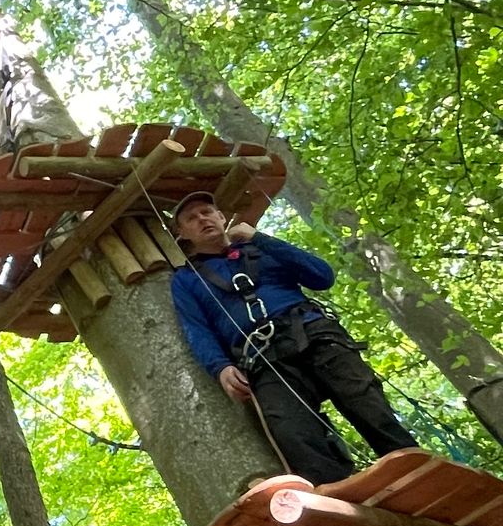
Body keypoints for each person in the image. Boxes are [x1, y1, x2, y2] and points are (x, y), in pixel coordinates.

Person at [169, 192, 415, 483]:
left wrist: (260, 238)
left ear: (222, 217)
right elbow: (197, 329)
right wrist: (220, 366)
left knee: (366, 403)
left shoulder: (263, 250)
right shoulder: (186, 279)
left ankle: (413, 468)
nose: (202, 219)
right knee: (291, 431)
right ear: (181, 233)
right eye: (191, 218)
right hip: (262, 357)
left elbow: (321, 276)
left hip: (313, 332)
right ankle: (336, 493)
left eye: (208, 212)